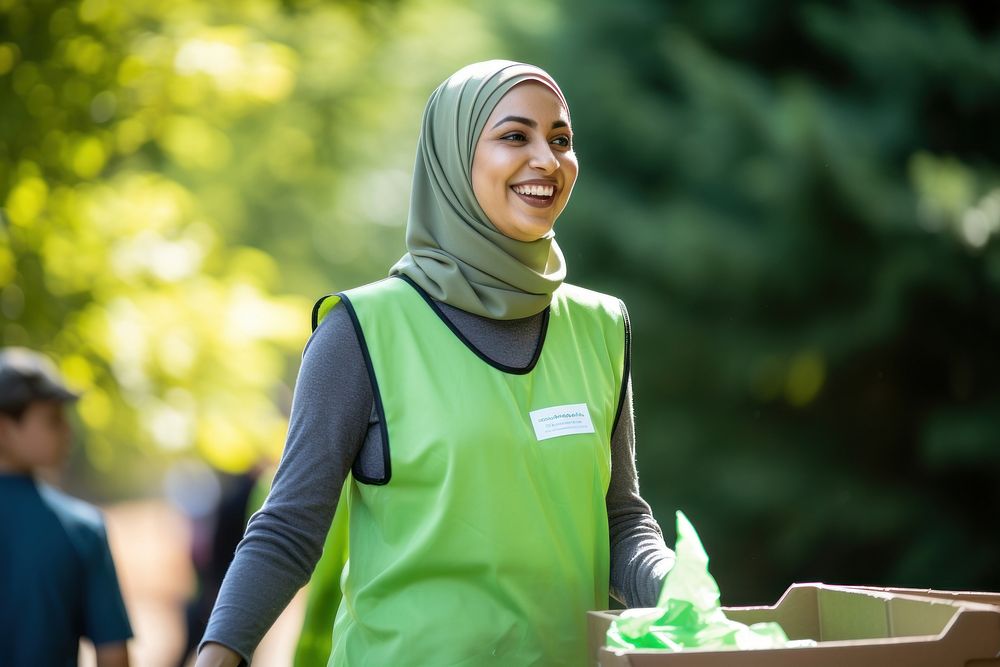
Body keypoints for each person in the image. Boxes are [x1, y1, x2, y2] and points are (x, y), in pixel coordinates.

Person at [196, 60, 674, 667]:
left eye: (560, 139)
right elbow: (289, 529)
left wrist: (682, 592)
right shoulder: (362, 331)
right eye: (514, 136)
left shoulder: (602, 326)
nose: (548, 161)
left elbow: (620, 519)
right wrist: (215, 658)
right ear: (454, 158)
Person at [0, 347, 133, 667]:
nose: (67, 432)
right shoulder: (82, 529)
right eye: (53, 419)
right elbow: (113, 657)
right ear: (3, 429)